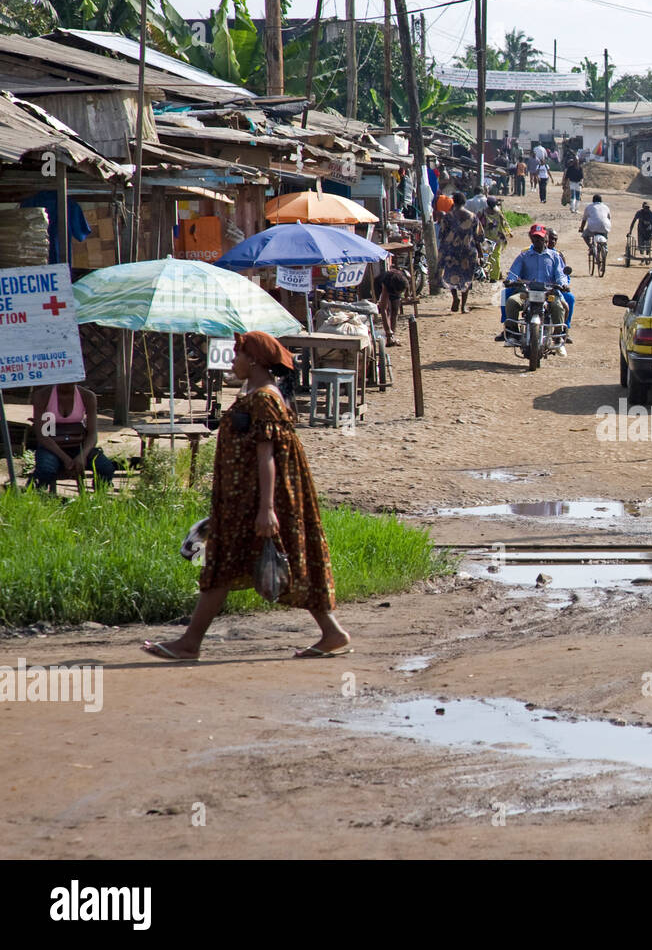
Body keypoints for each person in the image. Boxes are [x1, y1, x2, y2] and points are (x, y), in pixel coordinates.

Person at [141, 332, 350, 661]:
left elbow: (266, 456)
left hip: (258, 499)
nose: (232, 361)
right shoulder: (253, 392)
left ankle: (190, 643)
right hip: (243, 497)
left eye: (237, 355)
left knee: (229, 563)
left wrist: (266, 509)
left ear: (253, 360)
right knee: (239, 562)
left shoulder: (264, 397)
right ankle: (331, 632)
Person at [30, 383, 115, 492]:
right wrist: (66, 459)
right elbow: (42, 435)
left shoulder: (87, 396)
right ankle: (42, 499)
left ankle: (99, 496)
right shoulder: (42, 395)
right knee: (45, 471)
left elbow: (92, 434)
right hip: (52, 447)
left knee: (106, 468)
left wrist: (82, 455)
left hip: (78, 445)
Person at [500, 224, 569, 354]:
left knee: (558, 307)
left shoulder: (554, 256)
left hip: (548, 292)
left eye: (541, 238)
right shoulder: (524, 256)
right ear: (531, 239)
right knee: (511, 302)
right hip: (526, 292)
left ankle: (558, 339)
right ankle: (513, 334)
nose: (538, 241)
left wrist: (563, 284)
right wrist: (511, 280)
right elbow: (514, 272)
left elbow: (560, 274)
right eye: (535, 238)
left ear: (546, 239)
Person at [438, 191, 481, 313]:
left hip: (452, 251)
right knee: (466, 277)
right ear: (464, 202)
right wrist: (480, 253)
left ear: (454, 202)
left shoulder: (447, 217)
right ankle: (463, 306)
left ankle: (455, 298)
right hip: (468, 252)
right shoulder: (473, 217)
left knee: (451, 275)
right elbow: (478, 237)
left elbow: (442, 235)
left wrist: (442, 253)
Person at [545, 227, 576, 333]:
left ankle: (564, 328)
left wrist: (564, 285)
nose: (552, 242)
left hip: (553, 290)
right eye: (550, 238)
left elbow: (563, 276)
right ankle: (509, 326)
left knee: (570, 298)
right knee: (505, 294)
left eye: (555, 239)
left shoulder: (558, 255)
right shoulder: (527, 253)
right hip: (532, 288)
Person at [374, 266, 410, 346]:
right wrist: (387, 331)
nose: (398, 294)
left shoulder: (404, 278)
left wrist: (407, 294)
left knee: (395, 309)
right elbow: (383, 309)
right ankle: (389, 337)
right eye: (398, 292)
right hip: (379, 285)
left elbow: (407, 285)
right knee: (388, 310)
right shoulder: (386, 284)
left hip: (396, 285)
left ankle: (392, 337)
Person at [481, 199, 513, 282]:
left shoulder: (484, 212)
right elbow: (505, 223)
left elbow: (479, 224)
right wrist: (509, 231)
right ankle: (491, 276)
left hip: (490, 239)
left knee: (490, 257)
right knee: (492, 257)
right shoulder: (495, 212)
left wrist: (509, 231)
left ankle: (490, 276)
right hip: (492, 239)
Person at [578, 193, 612, 258]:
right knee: (605, 234)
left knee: (585, 235)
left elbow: (584, 219)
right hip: (605, 226)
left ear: (593, 201)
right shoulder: (606, 207)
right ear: (601, 201)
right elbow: (609, 218)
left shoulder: (589, 207)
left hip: (593, 227)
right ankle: (605, 247)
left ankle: (591, 247)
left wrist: (581, 228)